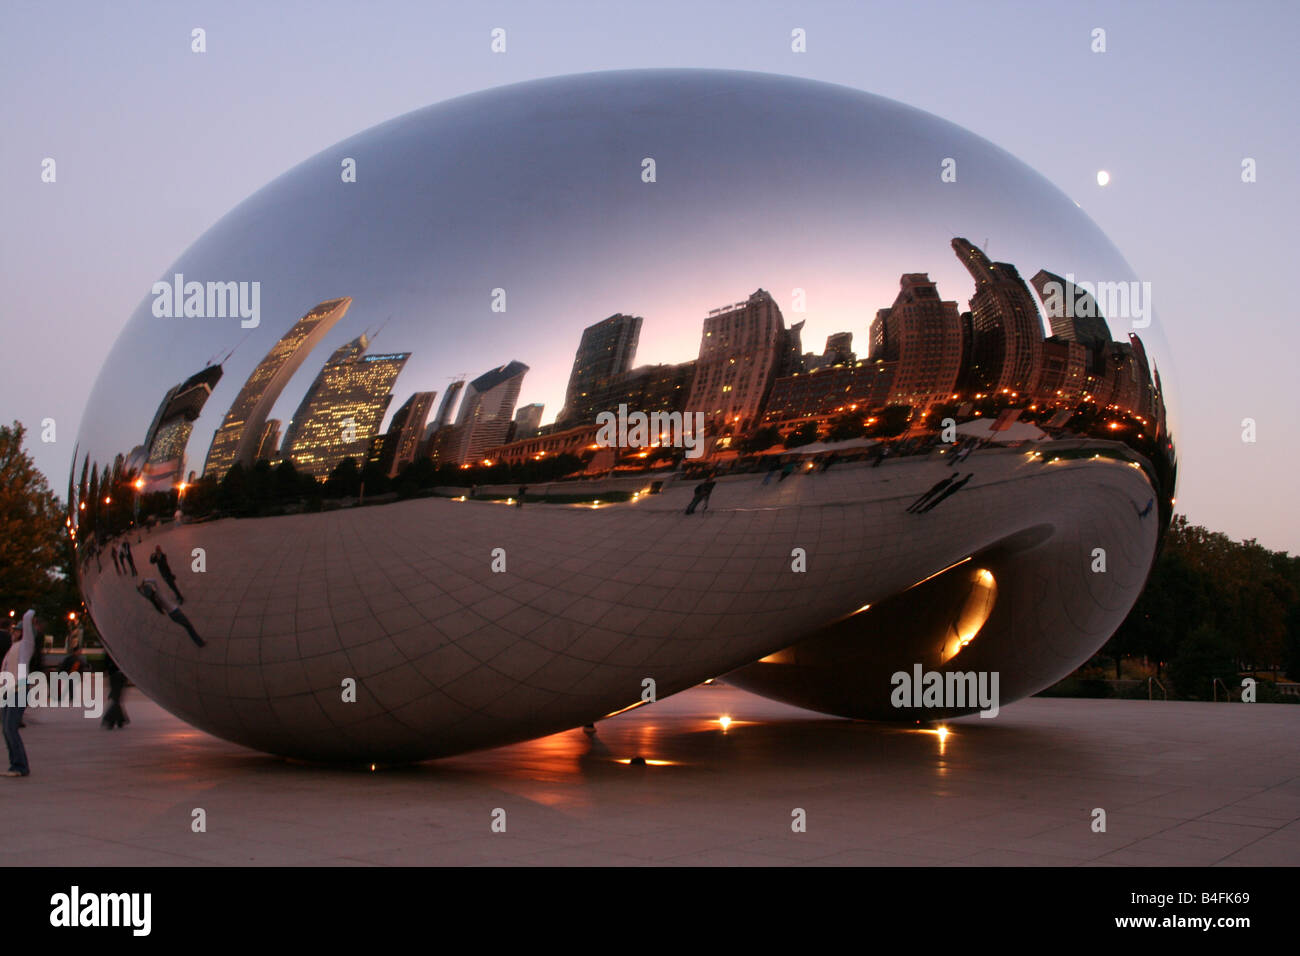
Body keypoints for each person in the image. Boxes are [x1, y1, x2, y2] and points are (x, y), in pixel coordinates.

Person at [2, 610, 37, 777]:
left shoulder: (25, 645)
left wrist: (30, 612)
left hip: (20, 691)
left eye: (16, 630)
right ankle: (15, 764)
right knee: (7, 729)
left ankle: (20, 766)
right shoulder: (12, 648)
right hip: (9, 692)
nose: (13, 632)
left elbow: (28, 620)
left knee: (10, 728)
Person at [137, 579, 205, 647]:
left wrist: (140, 591)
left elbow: (146, 596)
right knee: (189, 627)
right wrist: (145, 581)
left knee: (187, 627)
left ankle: (199, 642)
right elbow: (154, 581)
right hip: (176, 611)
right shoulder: (158, 593)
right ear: (151, 589)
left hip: (172, 615)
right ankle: (199, 642)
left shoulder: (153, 600)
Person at [102, 655, 129, 729]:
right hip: (118, 675)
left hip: (115, 676)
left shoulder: (110, 651)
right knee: (116, 698)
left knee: (115, 698)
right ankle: (118, 719)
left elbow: (106, 664)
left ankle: (112, 719)